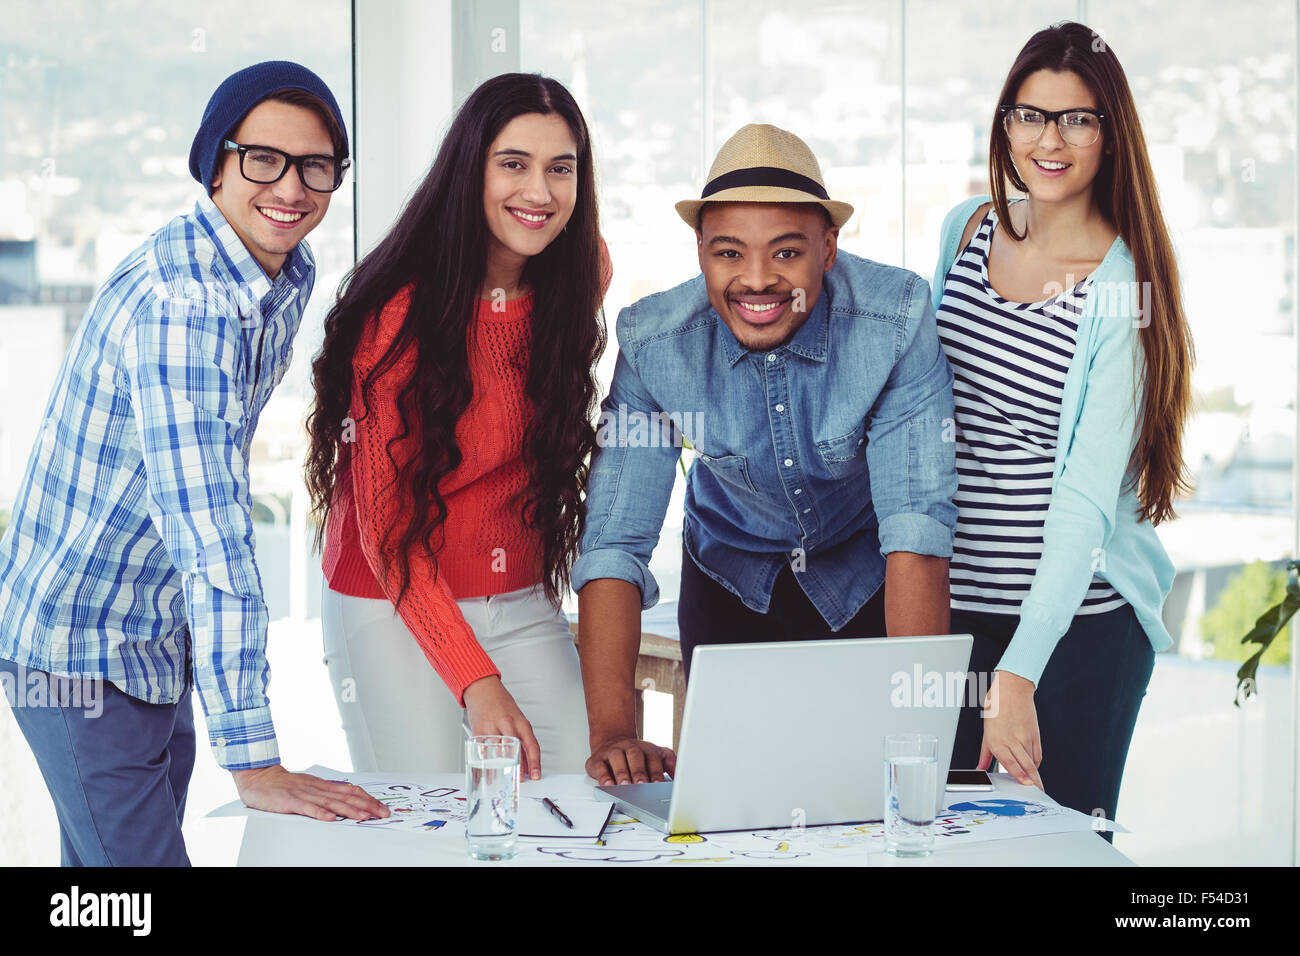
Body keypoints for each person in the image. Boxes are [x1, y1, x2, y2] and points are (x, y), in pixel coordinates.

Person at [0, 61, 389, 867]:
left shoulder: (279, 272)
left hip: (153, 633)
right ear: (216, 163)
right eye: (263, 159)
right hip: (79, 646)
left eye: (316, 166)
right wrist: (253, 758)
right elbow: (211, 530)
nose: (291, 187)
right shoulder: (186, 306)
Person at [574, 124, 958, 787]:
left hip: (865, 576)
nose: (757, 280)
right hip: (729, 575)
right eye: (730, 253)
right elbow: (614, 541)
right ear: (700, 251)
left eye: (786, 253)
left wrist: (917, 742)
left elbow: (915, 529)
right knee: (731, 802)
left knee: (867, 794)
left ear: (829, 248)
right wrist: (614, 733)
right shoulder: (655, 343)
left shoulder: (895, 320)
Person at [306, 73, 608, 781]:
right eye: (513, 164)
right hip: (390, 598)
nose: (539, 192)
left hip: (518, 594)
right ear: (469, 169)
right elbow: (387, 535)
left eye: (559, 168)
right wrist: (477, 682)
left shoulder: (580, 275)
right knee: (433, 829)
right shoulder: (399, 315)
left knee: (578, 798)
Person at [930, 21, 1192, 829]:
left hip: (1077, 633)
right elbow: (926, 408)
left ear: (1111, 136)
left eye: (1077, 118)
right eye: (1030, 114)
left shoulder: (1122, 289)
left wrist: (1020, 674)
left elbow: (1083, 501)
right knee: (935, 841)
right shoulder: (967, 228)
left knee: (1057, 848)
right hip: (955, 614)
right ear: (1005, 123)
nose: (1050, 139)